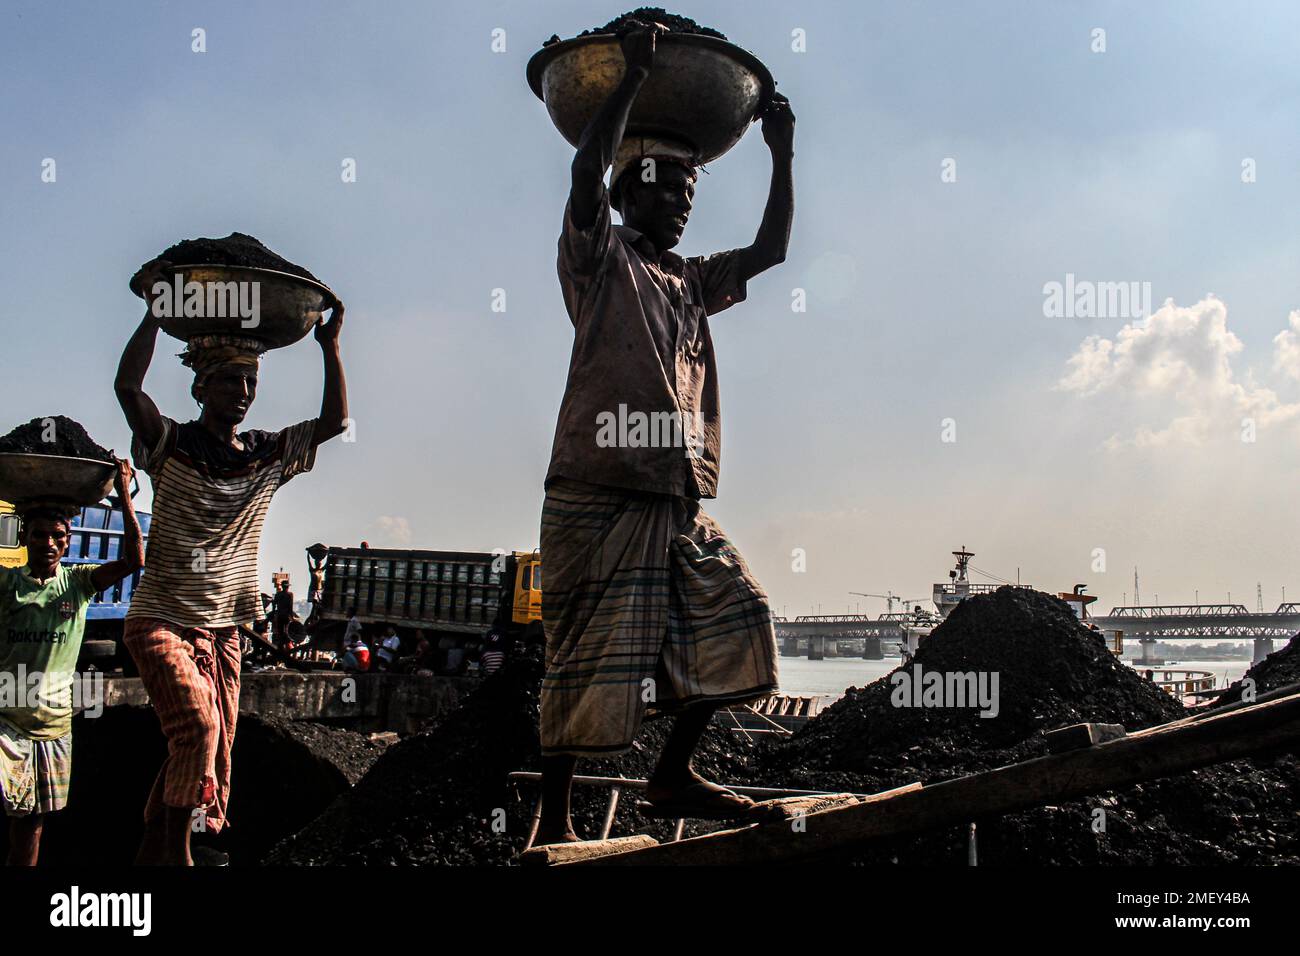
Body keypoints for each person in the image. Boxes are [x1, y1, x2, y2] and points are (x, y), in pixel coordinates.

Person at [534, 23, 795, 846]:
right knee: (581, 657)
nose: (682, 206)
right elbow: (583, 170)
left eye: (691, 194)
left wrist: (782, 156)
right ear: (627, 195)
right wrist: (632, 77)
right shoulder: (598, 257)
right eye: (667, 191)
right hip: (596, 488)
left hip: (675, 496)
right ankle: (553, 820)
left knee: (741, 619)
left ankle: (671, 775)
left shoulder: (690, 281)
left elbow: (773, 250)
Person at [114, 260, 349, 865]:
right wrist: (154, 313)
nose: (242, 394)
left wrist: (331, 347)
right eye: (229, 383)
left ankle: (148, 853)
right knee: (199, 730)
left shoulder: (268, 455)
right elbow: (128, 390)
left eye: (250, 384)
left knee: (202, 752)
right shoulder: (171, 445)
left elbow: (334, 423)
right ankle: (179, 859)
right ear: (201, 387)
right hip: (161, 620)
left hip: (223, 630)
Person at [1, 460, 143, 865]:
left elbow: (134, 560)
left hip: (52, 727)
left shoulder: (79, 583)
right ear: (24, 538)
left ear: (67, 543)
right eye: (39, 534)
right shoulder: (7, 583)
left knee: (29, 826)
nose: (48, 542)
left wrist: (124, 502)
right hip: (6, 722)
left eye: (57, 536)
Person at [271, 580, 294, 646]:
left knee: (280, 632)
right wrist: (291, 617)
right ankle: (285, 644)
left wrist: (273, 613)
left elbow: (274, 605)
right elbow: (290, 607)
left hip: (280, 615)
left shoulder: (278, 594)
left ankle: (280, 645)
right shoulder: (290, 594)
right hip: (286, 616)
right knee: (286, 632)